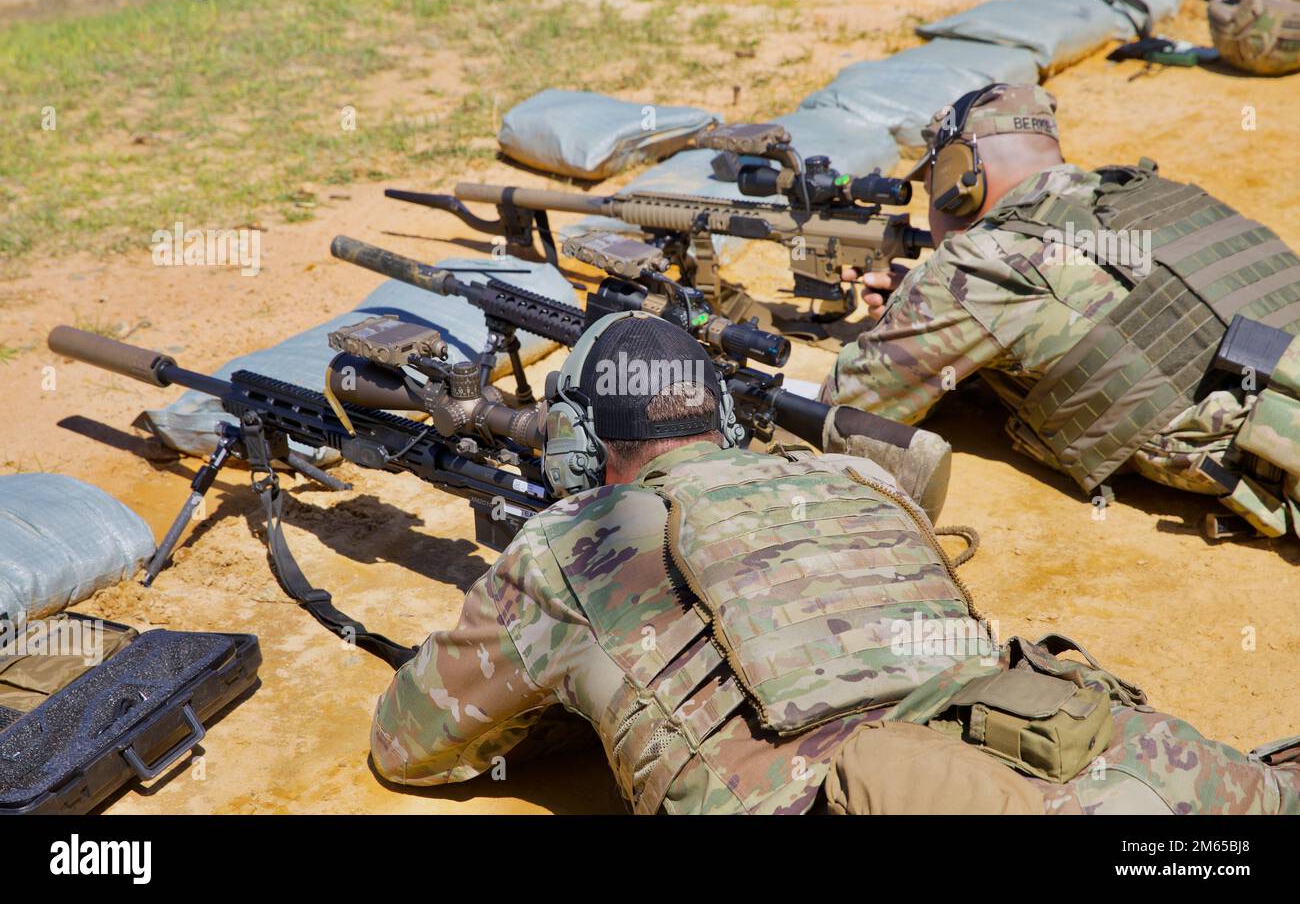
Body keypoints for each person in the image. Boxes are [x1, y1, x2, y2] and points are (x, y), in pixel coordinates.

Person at [371, 311, 1299, 814]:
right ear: (724, 418)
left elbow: (408, 750)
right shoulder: (859, 475)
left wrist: (575, 688)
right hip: (1023, 741)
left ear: (577, 439)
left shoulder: (566, 544)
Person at [823, 83, 1300, 540]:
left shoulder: (983, 261)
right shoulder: (1138, 193)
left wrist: (916, 309)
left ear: (955, 179)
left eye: (932, 184)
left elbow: (848, 404)